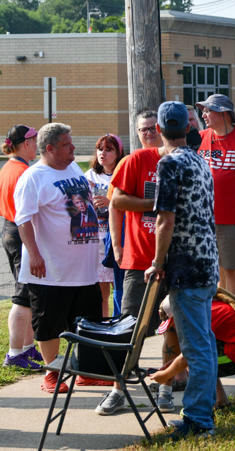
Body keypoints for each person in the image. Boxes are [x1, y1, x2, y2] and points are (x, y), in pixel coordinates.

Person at [144, 101, 220, 438]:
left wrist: (157, 262)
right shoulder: (200, 161)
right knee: (203, 341)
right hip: (207, 260)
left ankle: (199, 420)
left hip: (186, 266)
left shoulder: (169, 164)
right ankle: (202, 412)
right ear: (188, 129)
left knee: (197, 347)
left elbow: (165, 219)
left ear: (159, 129)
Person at [14, 123, 102, 393]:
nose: (73, 148)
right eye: (66, 144)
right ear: (49, 149)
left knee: (88, 322)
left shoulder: (73, 168)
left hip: (84, 269)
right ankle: (52, 374)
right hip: (51, 270)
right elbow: (23, 219)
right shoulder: (34, 177)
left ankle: (86, 372)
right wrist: (35, 254)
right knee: (49, 323)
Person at [100, 110, 170, 414]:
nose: (148, 134)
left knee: (172, 326)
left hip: (173, 261)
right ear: (137, 133)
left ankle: (166, 386)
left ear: (161, 129)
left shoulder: (178, 160)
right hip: (138, 259)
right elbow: (115, 204)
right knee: (129, 326)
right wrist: (117, 244)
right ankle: (119, 388)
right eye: (142, 130)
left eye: (152, 129)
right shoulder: (133, 162)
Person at [149, 289, 235, 410]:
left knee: (197, 359)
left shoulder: (199, 317)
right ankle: (221, 401)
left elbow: (190, 355)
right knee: (205, 349)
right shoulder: (204, 307)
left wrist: (165, 375)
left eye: (174, 322)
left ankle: (201, 411)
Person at [196, 93, 235, 298]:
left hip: (232, 217)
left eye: (208, 110)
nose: (204, 115)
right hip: (204, 218)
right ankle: (223, 312)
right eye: (203, 111)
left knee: (231, 268)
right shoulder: (201, 137)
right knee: (214, 270)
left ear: (223, 113)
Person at [1, 125, 42, 370]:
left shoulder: (9, 167)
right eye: (34, 141)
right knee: (23, 295)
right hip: (20, 231)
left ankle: (26, 347)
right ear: (25, 144)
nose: (36, 145)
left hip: (9, 229)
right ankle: (15, 352)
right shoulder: (23, 171)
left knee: (26, 292)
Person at [84, 134, 125, 317]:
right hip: (96, 238)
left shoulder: (124, 173)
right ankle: (102, 326)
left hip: (117, 238)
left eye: (109, 149)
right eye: (100, 149)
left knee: (120, 287)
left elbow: (131, 206)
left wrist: (111, 204)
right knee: (100, 291)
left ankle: (119, 322)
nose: (103, 153)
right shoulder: (90, 176)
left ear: (118, 153)